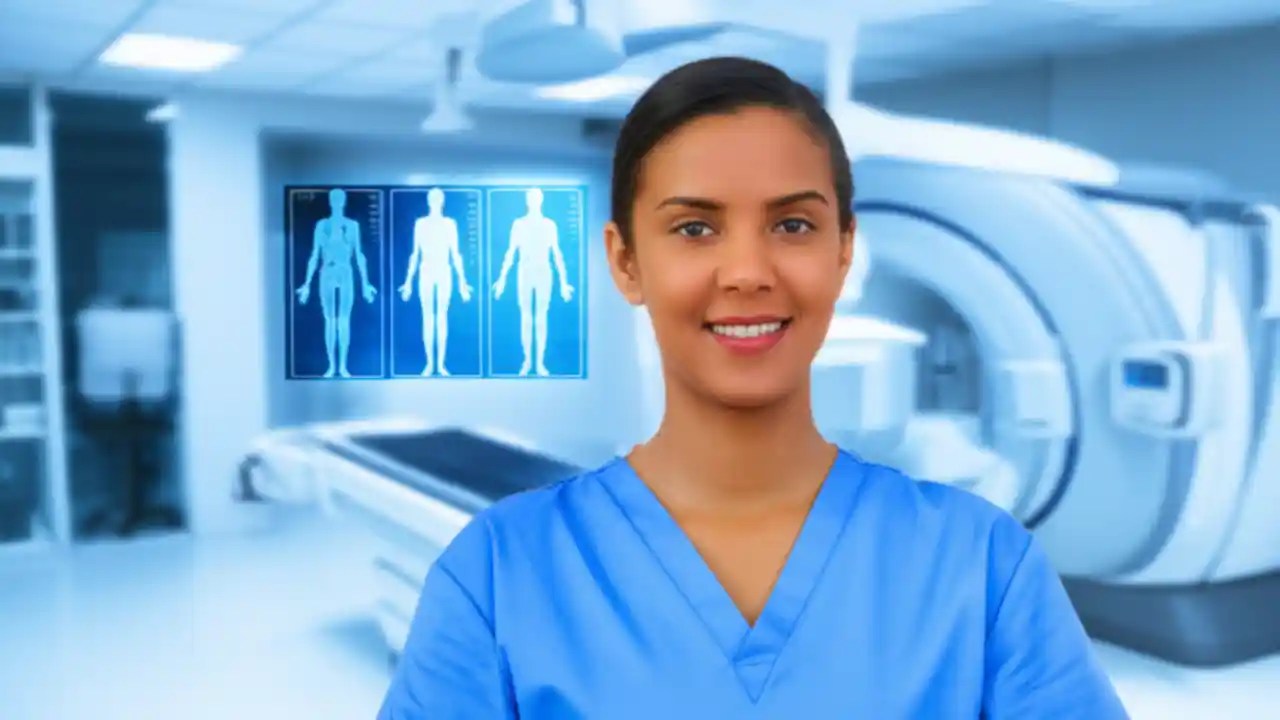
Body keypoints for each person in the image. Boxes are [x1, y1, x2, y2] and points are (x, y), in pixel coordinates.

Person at [378, 57, 1129, 719]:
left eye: (794, 225)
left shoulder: (983, 567)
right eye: (695, 229)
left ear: (844, 254)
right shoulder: (499, 575)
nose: (747, 271)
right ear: (625, 261)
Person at [491, 187, 575, 376]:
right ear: (528, 201)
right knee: (527, 318)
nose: (534, 201)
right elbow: (510, 252)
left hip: (544, 271)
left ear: (541, 201)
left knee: (541, 318)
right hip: (525, 272)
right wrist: (502, 278)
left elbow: (556, 253)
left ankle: (540, 363)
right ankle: (528, 361)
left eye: (536, 198)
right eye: (531, 198)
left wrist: (563, 282)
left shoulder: (549, 225)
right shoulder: (519, 224)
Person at [296, 188, 377, 378]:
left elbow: (359, 255)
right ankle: (332, 366)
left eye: (340, 198)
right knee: (331, 320)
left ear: (344, 201)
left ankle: (343, 366)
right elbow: (315, 255)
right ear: (331, 201)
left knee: (343, 320)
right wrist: (307, 283)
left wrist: (365, 283)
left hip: (345, 271)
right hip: (328, 272)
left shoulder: (352, 226)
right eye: (334, 198)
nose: (337, 201)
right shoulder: (322, 225)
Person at [399, 187, 473, 376]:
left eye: (438, 198)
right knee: (428, 318)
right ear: (429, 201)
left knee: (440, 317)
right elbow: (415, 254)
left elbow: (456, 254)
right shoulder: (421, 224)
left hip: (443, 271)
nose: (435, 201)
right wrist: (408, 281)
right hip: (427, 270)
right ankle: (430, 364)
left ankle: (439, 364)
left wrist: (462, 282)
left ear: (442, 201)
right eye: (433, 198)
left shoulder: (449, 224)